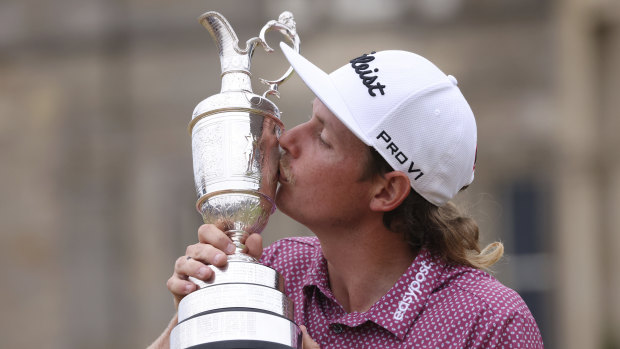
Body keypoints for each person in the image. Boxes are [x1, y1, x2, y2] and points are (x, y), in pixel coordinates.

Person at [149, 43, 544, 348]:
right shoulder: (279, 267)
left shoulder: (491, 324)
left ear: (387, 189)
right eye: (310, 117)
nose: (288, 139)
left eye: (322, 137)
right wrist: (198, 315)